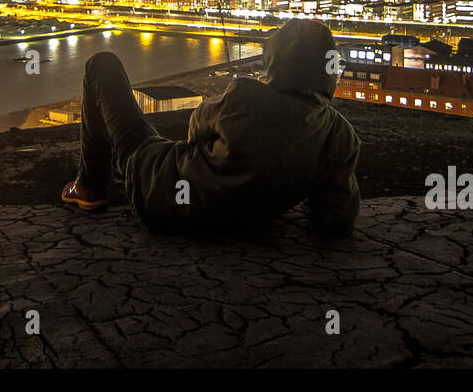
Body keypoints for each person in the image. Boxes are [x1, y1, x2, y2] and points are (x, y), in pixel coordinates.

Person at [60, 17, 361, 235]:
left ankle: (89, 186)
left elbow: (196, 127)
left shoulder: (246, 96)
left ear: (276, 61)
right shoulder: (340, 135)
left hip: (157, 191)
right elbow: (337, 219)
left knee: (102, 65)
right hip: (243, 225)